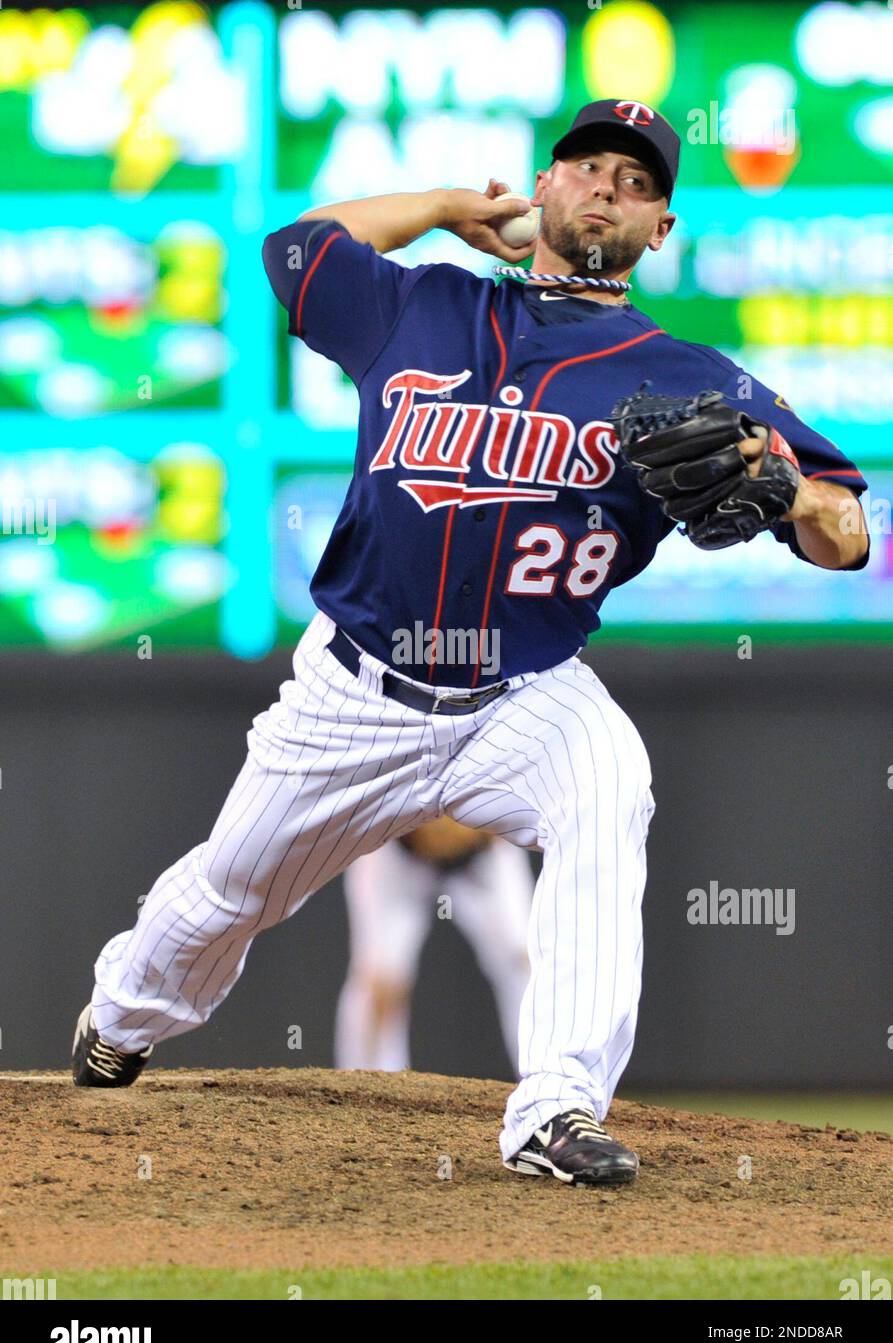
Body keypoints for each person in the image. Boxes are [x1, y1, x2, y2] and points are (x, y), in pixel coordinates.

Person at [73, 99, 868, 1188]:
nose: (606, 189)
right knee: (226, 893)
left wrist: (788, 490)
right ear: (540, 186)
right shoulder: (420, 307)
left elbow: (846, 528)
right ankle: (123, 1015)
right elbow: (295, 250)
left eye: (635, 184)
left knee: (609, 784)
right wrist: (447, 209)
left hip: (519, 694)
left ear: (661, 230)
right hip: (353, 693)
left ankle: (555, 1108)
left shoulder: (690, 375)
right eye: (587, 167)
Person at [335, 817, 533, 1074]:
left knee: (526, 963)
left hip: (485, 853)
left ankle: (550, 1086)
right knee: (379, 978)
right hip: (397, 850)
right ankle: (363, 1092)